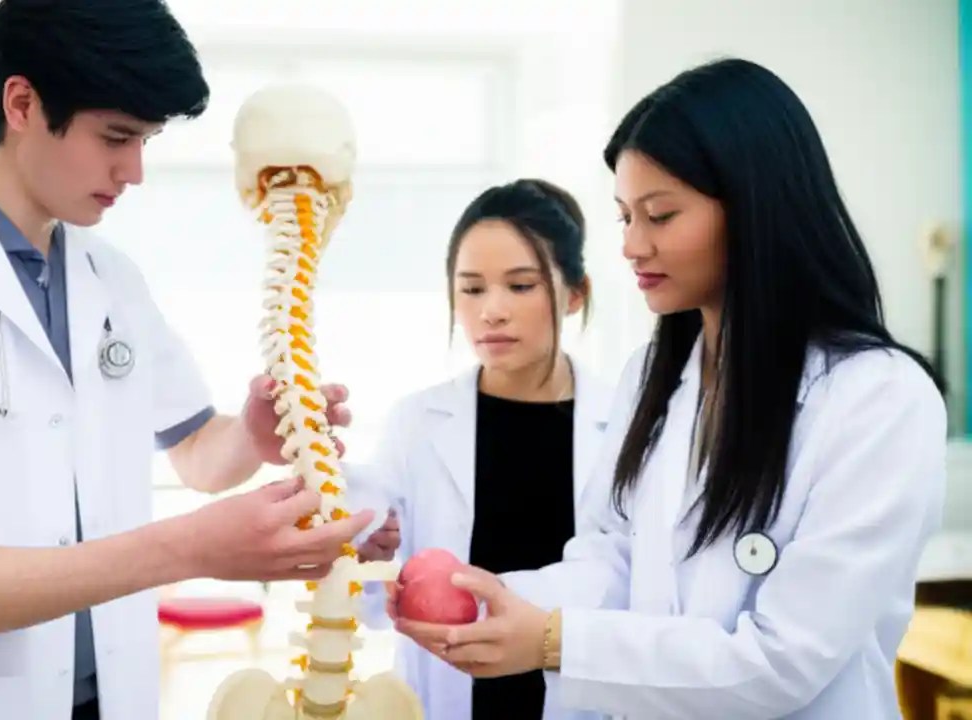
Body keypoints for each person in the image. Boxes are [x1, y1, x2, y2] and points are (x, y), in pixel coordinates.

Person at [0, 3, 373, 719]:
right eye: (116, 138)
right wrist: (187, 550)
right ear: (23, 103)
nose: (134, 172)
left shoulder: (111, 280)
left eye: (147, 141)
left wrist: (249, 435)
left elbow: (194, 453)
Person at [388, 57, 947, 720]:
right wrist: (486, 598)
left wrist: (552, 641)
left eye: (659, 215)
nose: (630, 245)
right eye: (625, 217)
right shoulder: (654, 378)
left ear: (754, 207)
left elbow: (785, 658)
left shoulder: (879, 400)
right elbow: (613, 559)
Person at [349, 179, 613, 720]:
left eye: (520, 286)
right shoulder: (417, 422)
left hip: (581, 696)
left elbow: (631, 586)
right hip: (450, 698)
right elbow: (371, 599)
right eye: (471, 289)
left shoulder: (629, 424)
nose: (491, 311)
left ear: (575, 293)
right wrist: (364, 551)